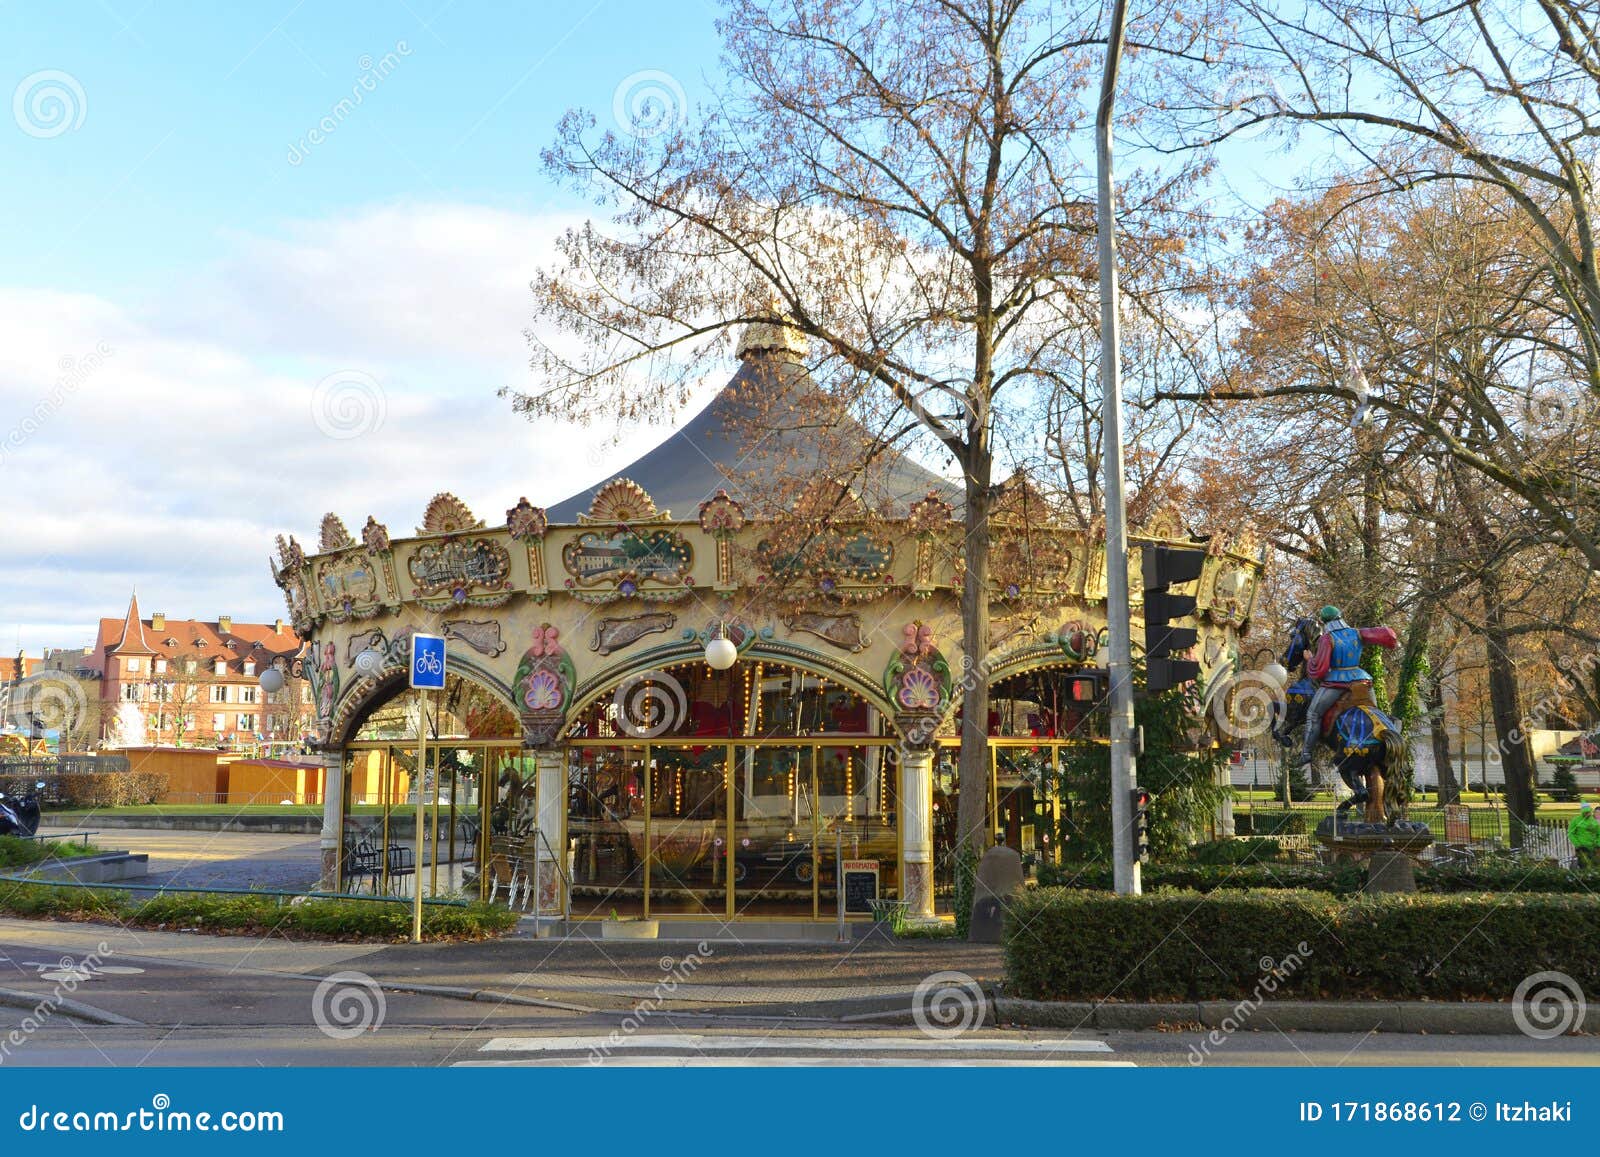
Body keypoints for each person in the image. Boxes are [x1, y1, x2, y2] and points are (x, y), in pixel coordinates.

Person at [1292, 605, 1399, 769]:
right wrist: (1392, 640)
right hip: (1362, 682)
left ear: (1324, 621)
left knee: (1313, 714)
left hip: (1336, 683)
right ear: (1340, 616)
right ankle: (1394, 733)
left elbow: (1320, 669)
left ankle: (1306, 753)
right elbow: (1385, 634)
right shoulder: (1358, 632)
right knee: (1376, 714)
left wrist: (1310, 659)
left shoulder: (1327, 639)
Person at [1568, 803, 1600, 869]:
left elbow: (1598, 834)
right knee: (1583, 864)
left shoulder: (1593, 821)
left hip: (1593, 848)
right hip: (1581, 848)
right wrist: (1578, 844)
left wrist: (1598, 843)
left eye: (1588, 812)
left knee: (1595, 865)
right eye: (1585, 812)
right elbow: (1571, 833)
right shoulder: (1576, 820)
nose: (1587, 813)